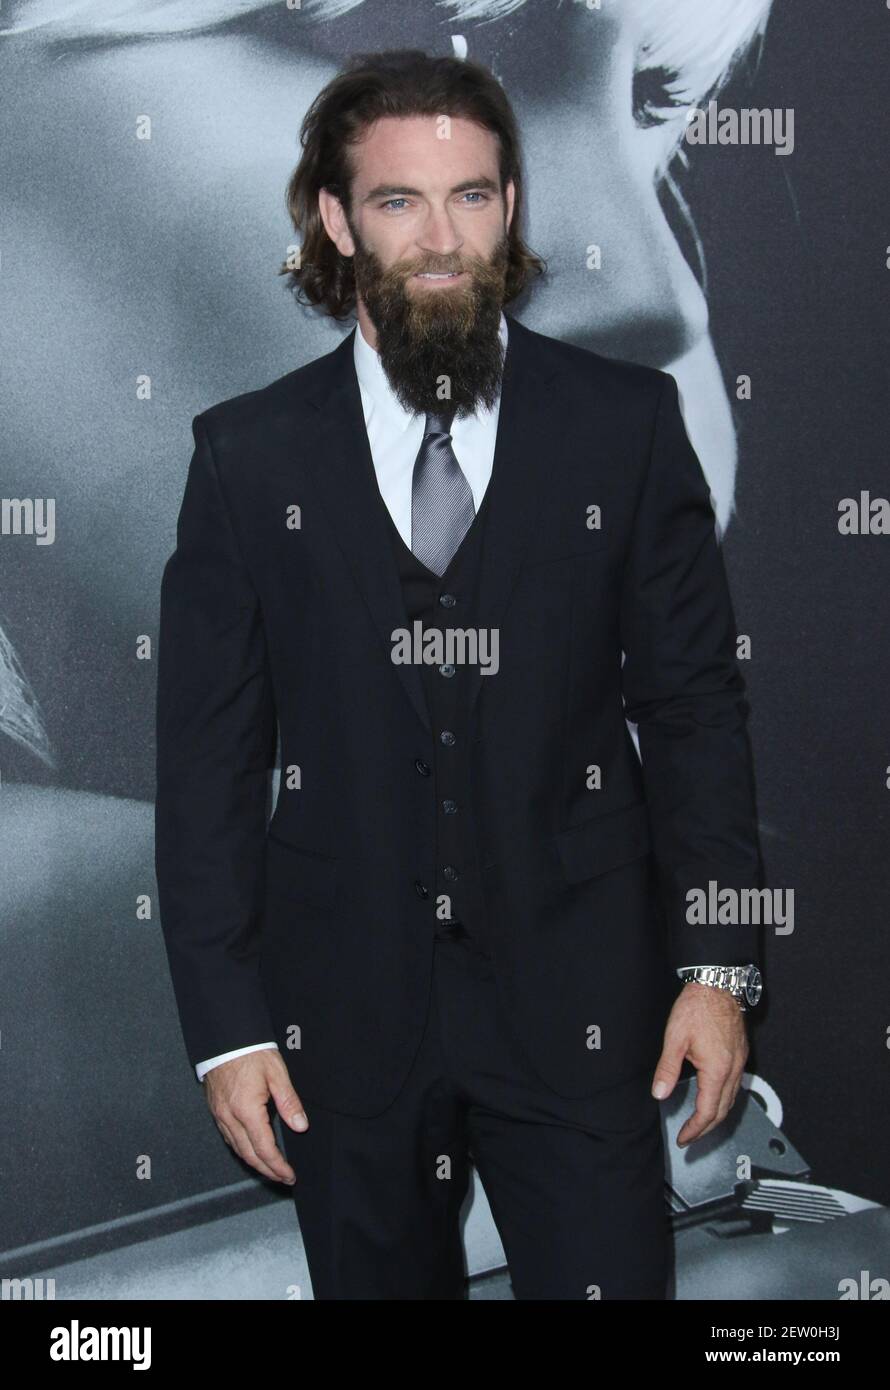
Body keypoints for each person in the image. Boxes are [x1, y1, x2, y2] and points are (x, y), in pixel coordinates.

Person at [155, 48, 765, 1300]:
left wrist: (714, 969)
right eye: (399, 201)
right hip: (342, 1025)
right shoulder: (247, 459)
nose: (441, 240)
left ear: (508, 208)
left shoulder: (622, 424)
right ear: (337, 221)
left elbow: (693, 712)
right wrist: (226, 1027)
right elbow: (208, 768)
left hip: (581, 1011)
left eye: (471, 197)